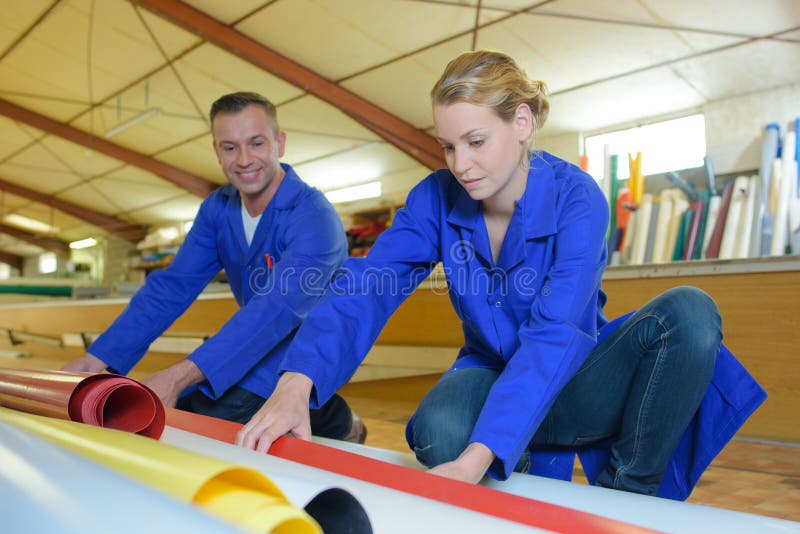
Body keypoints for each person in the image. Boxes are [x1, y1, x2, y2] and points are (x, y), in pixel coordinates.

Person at [235, 51, 765, 498]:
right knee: (440, 435)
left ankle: (628, 496)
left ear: (522, 122)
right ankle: (521, 468)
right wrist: (295, 382)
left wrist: (477, 459)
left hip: (578, 373)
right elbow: (367, 286)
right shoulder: (433, 199)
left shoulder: (577, 198)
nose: (460, 163)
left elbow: (555, 335)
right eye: (447, 146)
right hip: (488, 373)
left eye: (475, 141)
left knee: (690, 312)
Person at [63, 92, 366, 443]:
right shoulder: (217, 210)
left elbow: (275, 310)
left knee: (205, 415)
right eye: (230, 147)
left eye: (256, 143)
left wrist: (177, 376)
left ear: (279, 143)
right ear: (216, 151)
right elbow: (171, 288)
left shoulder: (314, 216)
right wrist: (96, 358)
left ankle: (336, 419)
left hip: (314, 345)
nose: (245, 159)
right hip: (257, 342)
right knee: (189, 407)